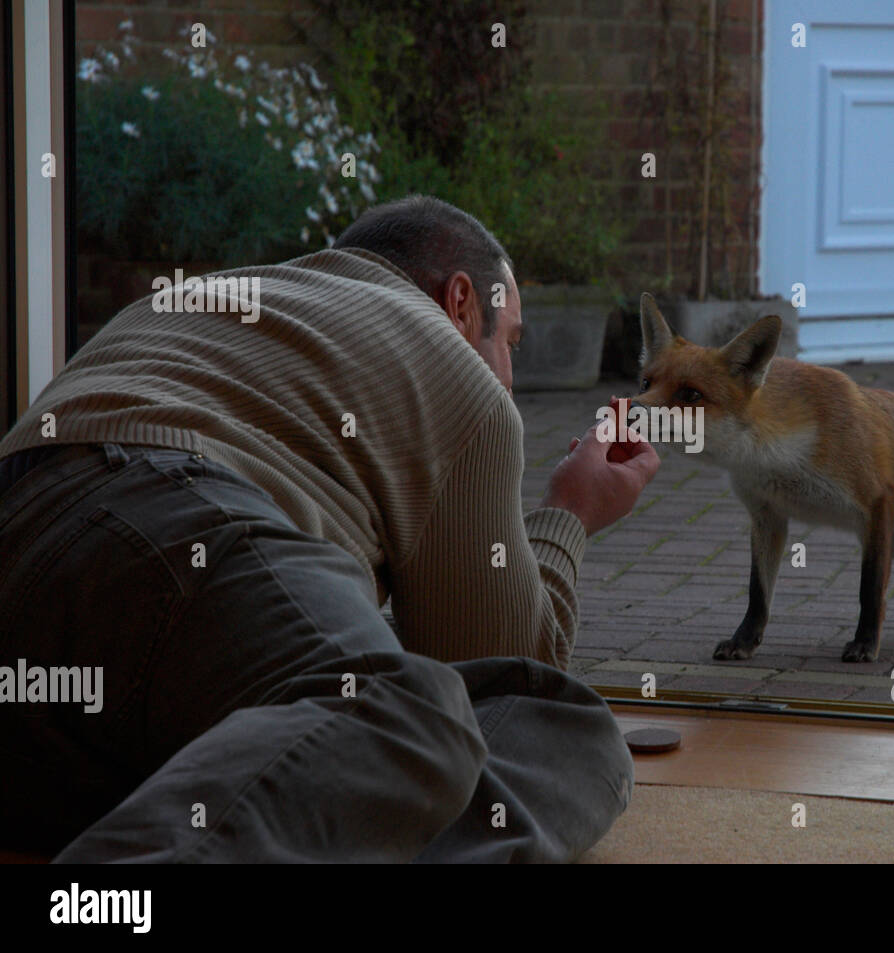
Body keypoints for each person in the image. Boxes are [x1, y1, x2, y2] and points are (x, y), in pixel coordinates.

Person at [0, 195, 659, 862]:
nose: (510, 377)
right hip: (176, 522)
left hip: (37, 601)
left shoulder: (211, 298)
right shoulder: (450, 363)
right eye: (510, 339)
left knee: (301, 768)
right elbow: (511, 680)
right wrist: (570, 513)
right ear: (461, 301)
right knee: (442, 713)